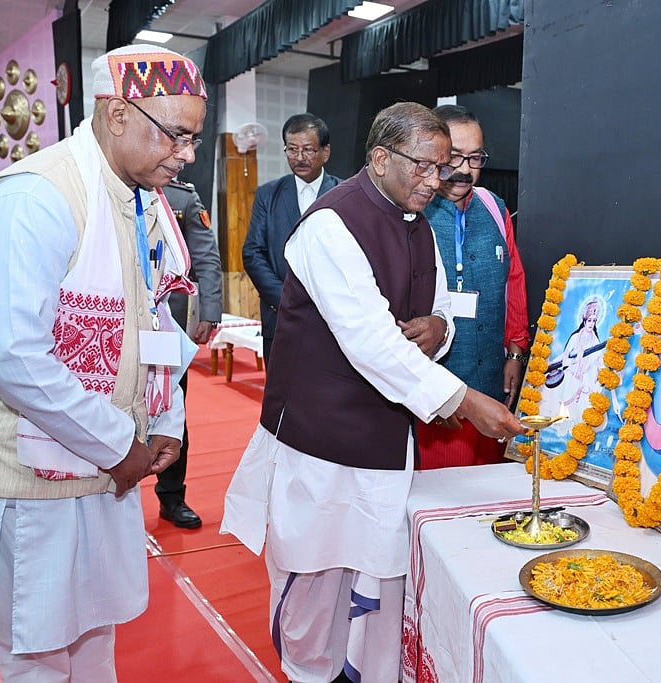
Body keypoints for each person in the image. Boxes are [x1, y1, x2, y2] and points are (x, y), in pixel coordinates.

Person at [221, 102, 523, 683]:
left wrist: (440, 328)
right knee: (315, 582)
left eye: (443, 168)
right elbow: (372, 343)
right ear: (381, 158)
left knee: (379, 584)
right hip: (320, 444)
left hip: (385, 441)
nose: (436, 181)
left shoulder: (419, 223)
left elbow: (439, 311)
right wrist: (466, 401)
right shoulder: (331, 225)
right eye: (424, 166)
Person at [0, 44, 206, 679]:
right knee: (39, 653)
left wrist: (166, 420)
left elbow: (154, 317)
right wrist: (118, 444)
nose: (187, 154)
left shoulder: (142, 199)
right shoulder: (38, 195)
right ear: (117, 114)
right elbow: (13, 356)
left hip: (106, 461)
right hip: (33, 475)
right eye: (176, 135)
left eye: (193, 138)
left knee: (95, 639)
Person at [415, 104, 530, 469]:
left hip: (492, 384)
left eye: (475, 157)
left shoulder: (495, 208)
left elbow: (514, 283)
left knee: (489, 488)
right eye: (454, 157)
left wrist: (515, 354)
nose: (465, 169)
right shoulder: (414, 213)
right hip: (431, 394)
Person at [242, 113, 341, 366]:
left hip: (333, 319)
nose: (299, 157)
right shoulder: (268, 194)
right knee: (279, 388)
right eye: (292, 149)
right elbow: (253, 252)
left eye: (308, 150)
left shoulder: (344, 195)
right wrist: (284, 299)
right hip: (280, 317)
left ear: (325, 152)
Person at [157, 178, 223, 528]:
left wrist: (209, 312)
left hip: (166, 323)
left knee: (171, 411)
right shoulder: (107, 187)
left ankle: (171, 497)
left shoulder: (181, 197)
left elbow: (206, 258)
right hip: (116, 323)